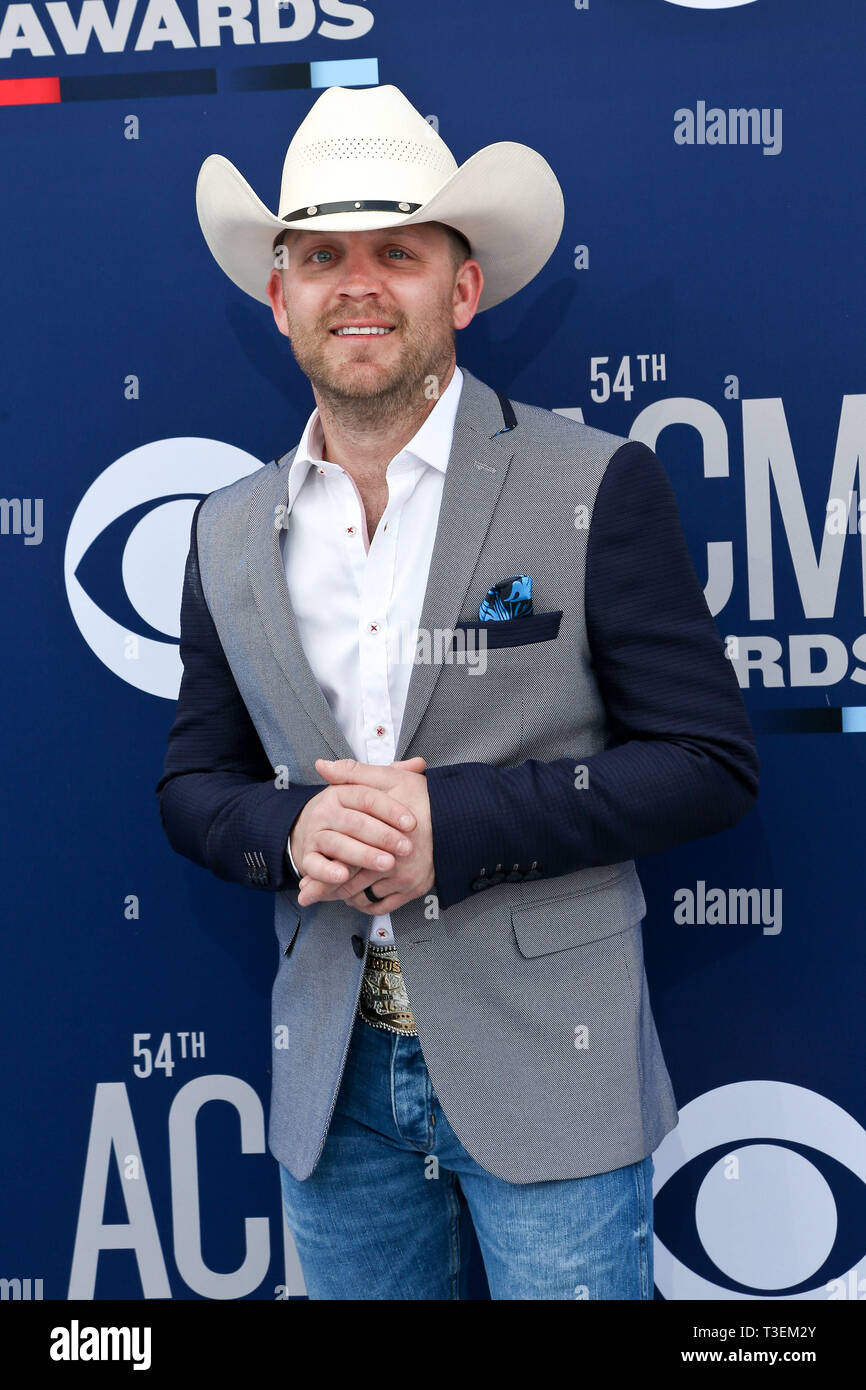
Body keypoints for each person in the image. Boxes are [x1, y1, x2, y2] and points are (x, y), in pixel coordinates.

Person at [157, 83, 760, 1300]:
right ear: (280, 299)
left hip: (550, 1067)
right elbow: (192, 783)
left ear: (462, 288)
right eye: (321, 255)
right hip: (332, 1086)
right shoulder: (225, 531)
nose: (358, 283)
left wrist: (459, 825)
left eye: (398, 250)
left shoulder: (597, 481)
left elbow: (708, 761)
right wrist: (288, 829)